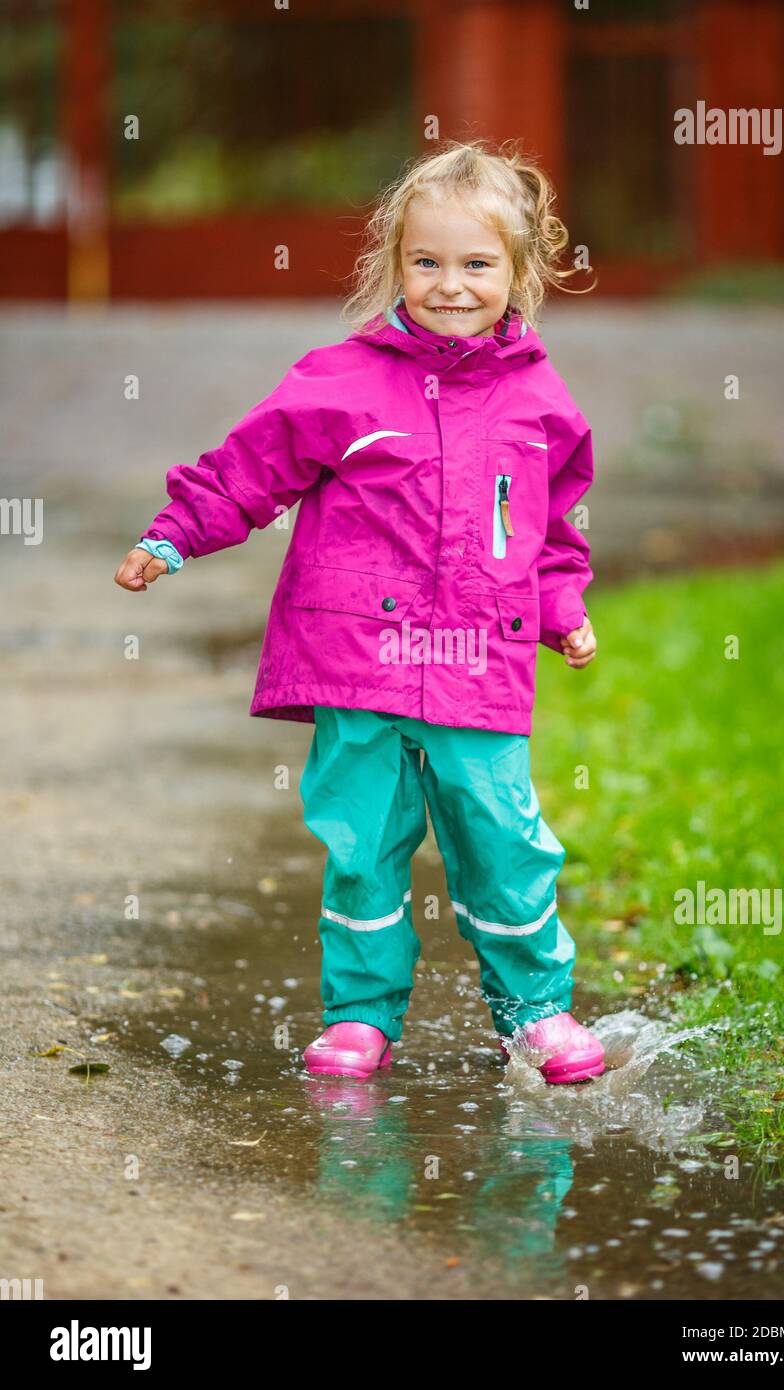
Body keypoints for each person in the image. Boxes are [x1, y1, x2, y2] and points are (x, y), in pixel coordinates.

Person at [114, 139, 605, 1085]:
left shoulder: (540, 404)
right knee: (361, 848)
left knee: (503, 840)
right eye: (426, 263)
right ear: (395, 265)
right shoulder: (341, 382)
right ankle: (361, 1016)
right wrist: (175, 534)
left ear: (519, 273)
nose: (449, 285)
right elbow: (248, 470)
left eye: (475, 265)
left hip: (478, 670)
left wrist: (559, 604)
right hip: (357, 662)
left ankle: (536, 1014)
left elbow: (552, 527)